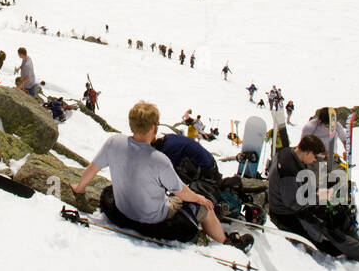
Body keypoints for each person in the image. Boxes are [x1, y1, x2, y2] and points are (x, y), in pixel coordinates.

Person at [71, 101, 251, 251]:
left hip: (121, 212)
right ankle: (228, 243)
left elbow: (92, 169)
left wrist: (79, 188)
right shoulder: (159, 160)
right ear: (153, 128)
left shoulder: (113, 142)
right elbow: (183, 193)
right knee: (204, 208)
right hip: (154, 221)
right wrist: (200, 199)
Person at [267, 134, 359, 271]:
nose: (313, 161)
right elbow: (294, 204)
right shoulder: (288, 171)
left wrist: (317, 194)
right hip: (287, 215)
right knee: (331, 241)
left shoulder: (289, 153)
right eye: (314, 157)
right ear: (307, 152)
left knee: (336, 214)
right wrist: (317, 197)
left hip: (296, 203)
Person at [153, 130, 221, 182]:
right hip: (210, 160)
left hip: (206, 168)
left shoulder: (168, 149)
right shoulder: (168, 137)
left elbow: (171, 171)